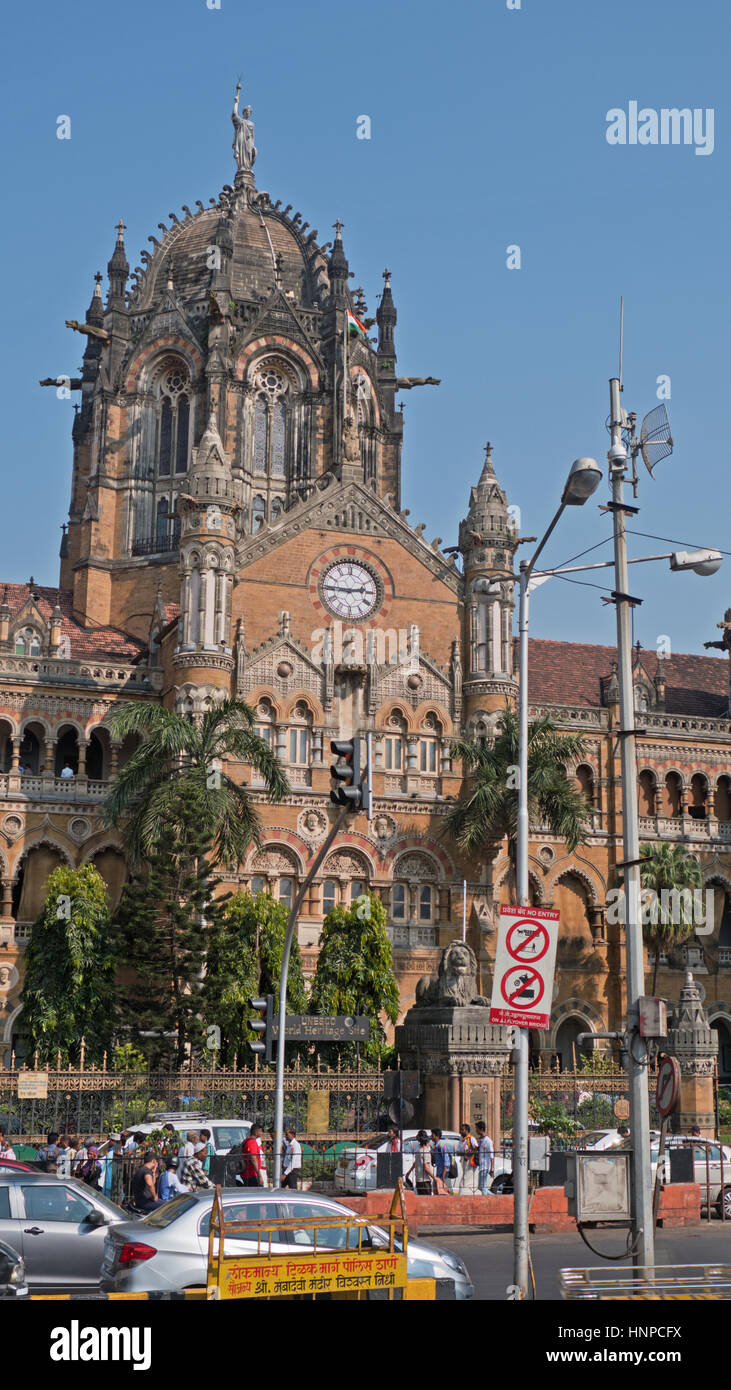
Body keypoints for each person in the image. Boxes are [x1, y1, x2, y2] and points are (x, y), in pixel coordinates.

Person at [405, 1130, 437, 1196]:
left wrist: (408, 1172)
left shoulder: (418, 1151)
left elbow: (415, 1163)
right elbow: (426, 1168)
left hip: (418, 1181)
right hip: (425, 1181)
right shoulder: (425, 1152)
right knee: (427, 1200)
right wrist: (435, 1178)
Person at [457, 1123, 479, 1194]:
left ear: (467, 1131)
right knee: (465, 1177)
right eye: (461, 1129)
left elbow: (476, 1149)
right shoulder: (462, 1140)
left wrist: (468, 1154)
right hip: (464, 1161)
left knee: (468, 1179)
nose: (461, 1131)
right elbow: (458, 1152)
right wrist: (464, 1154)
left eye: (462, 1130)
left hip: (470, 1162)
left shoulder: (471, 1139)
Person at [476, 1121, 494, 1196]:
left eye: (477, 1129)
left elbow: (491, 1155)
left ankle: (486, 1201)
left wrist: (492, 1168)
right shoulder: (480, 1140)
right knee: (480, 1187)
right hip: (480, 1166)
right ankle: (495, 1197)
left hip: (485, 1166)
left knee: (482, 1187)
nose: (476, 1131)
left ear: (481, 1129)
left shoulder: (488, 1141)